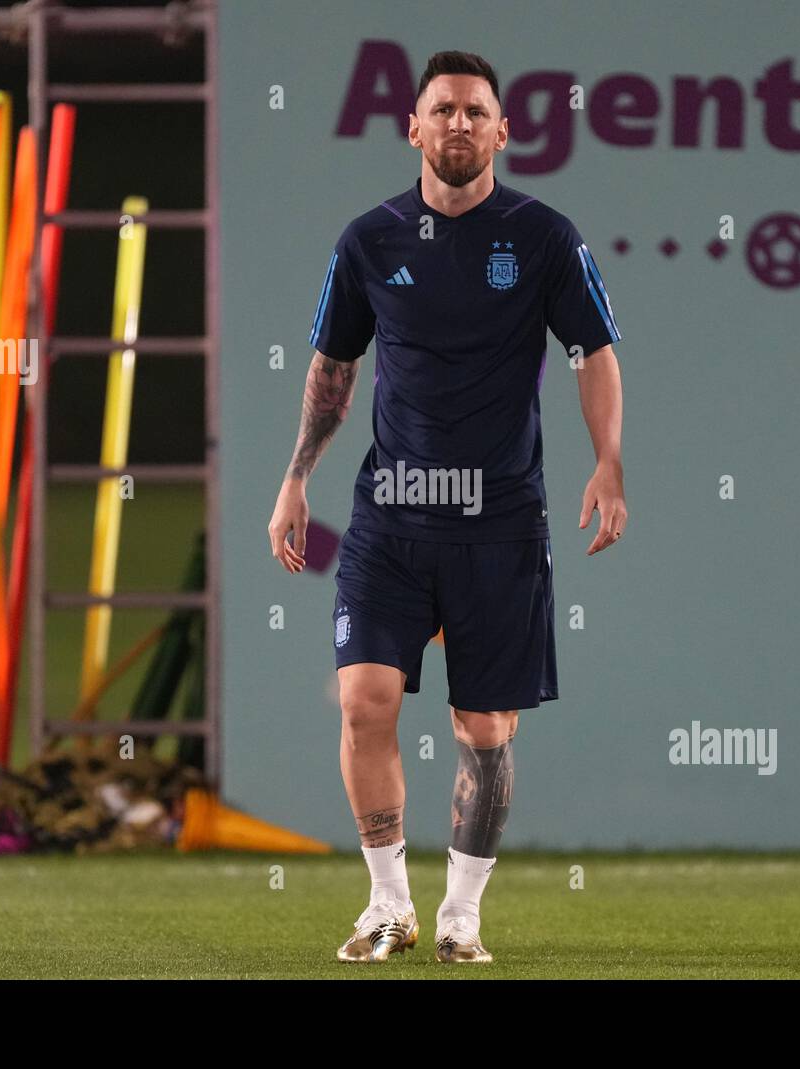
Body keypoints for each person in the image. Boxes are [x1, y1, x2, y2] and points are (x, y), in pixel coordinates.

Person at [268, 50, 627, 964]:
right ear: (414, 129)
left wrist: (608, 462)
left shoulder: (544, 236)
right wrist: (296, 475)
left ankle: (462, 912)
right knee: (365, 700)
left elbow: (593, 351)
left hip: (502, 521)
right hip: (391, 516)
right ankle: (389, 902)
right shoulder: (370, 239)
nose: (458, 124)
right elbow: (333, 370)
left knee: (485, 730)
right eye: (443, 110)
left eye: (475, 111)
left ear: (503, 131)